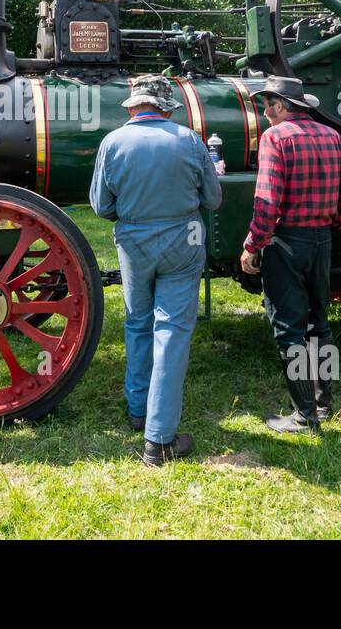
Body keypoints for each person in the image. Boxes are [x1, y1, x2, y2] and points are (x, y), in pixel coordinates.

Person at [90, 74, 222, 466]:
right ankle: (159, 439)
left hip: (134, 242)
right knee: (172, 332)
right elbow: (213, 200)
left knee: (137, 322)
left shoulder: (111, 143)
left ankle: (137, 410)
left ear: (133, 106)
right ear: (166, 108)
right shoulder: (188, 140)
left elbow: (100, 206)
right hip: (183, 242)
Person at [240, 76, 341, 434]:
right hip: (321, 240)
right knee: (318, 324)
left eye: (268, 105)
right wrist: (327, 226)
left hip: (286, 243)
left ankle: (304, 416)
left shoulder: (275, 138)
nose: (265, 112)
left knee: (289, 331)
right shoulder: (332, 136)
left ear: (281, 105)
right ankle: (323, 407)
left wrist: (252, 245)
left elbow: (266, 202)